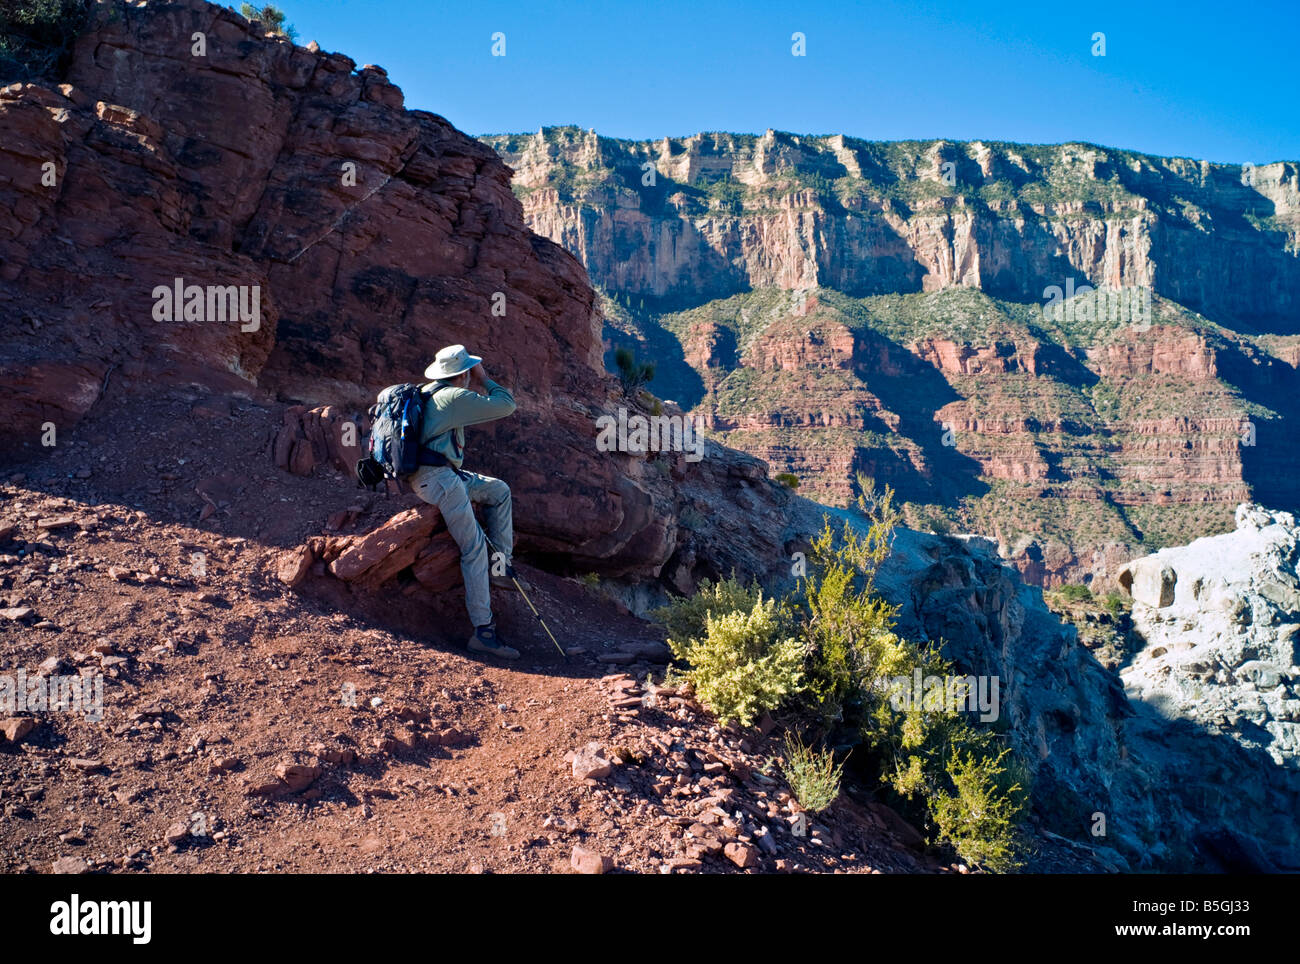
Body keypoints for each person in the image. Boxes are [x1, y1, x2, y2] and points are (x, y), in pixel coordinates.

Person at [409, 344, 529, 660]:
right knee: (473, 548)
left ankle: (500, 568)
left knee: (499, 490)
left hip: (436, 474)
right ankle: (483, 633)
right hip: (439, 480)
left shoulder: (427, 391)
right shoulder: (454, 397)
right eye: (469, 370)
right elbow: (506, 405)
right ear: (463, 373)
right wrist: (484, 378)